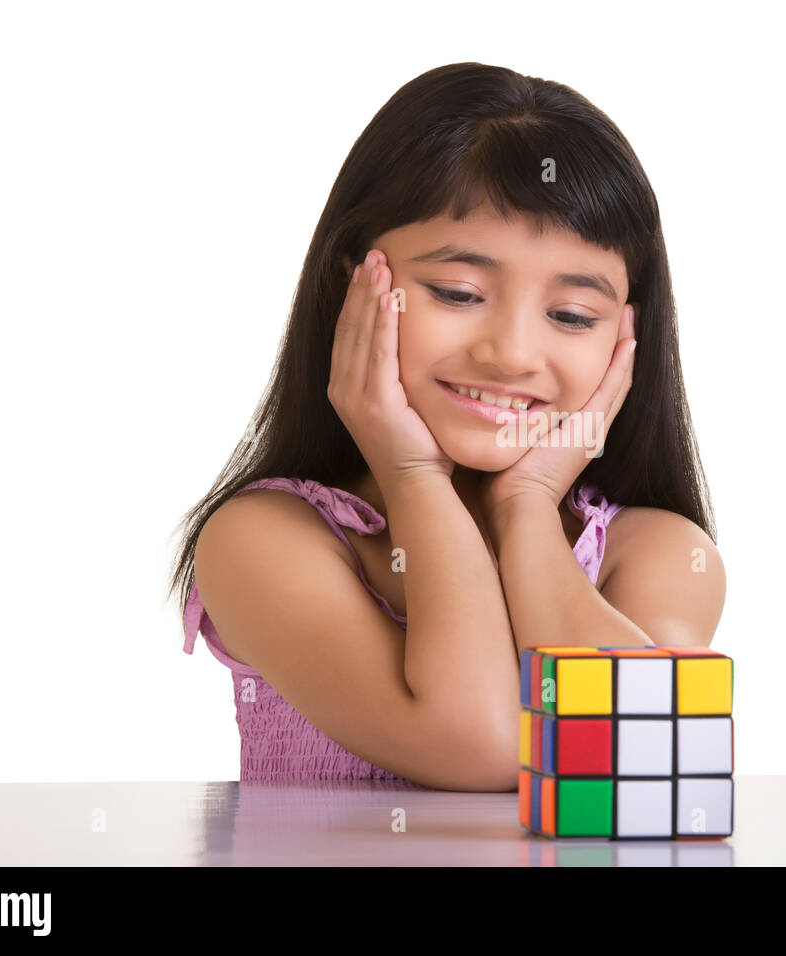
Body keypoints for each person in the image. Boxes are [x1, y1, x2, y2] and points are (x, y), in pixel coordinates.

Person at [167, 62, 724, 792]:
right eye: (459, 293)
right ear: (353, 284)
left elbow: (644, 757)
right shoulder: (265, 540)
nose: (512, 353)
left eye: (571, 316)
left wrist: (525, 511)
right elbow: (480, 742)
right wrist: (414, 477)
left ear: (627, 339)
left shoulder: (654, 554)